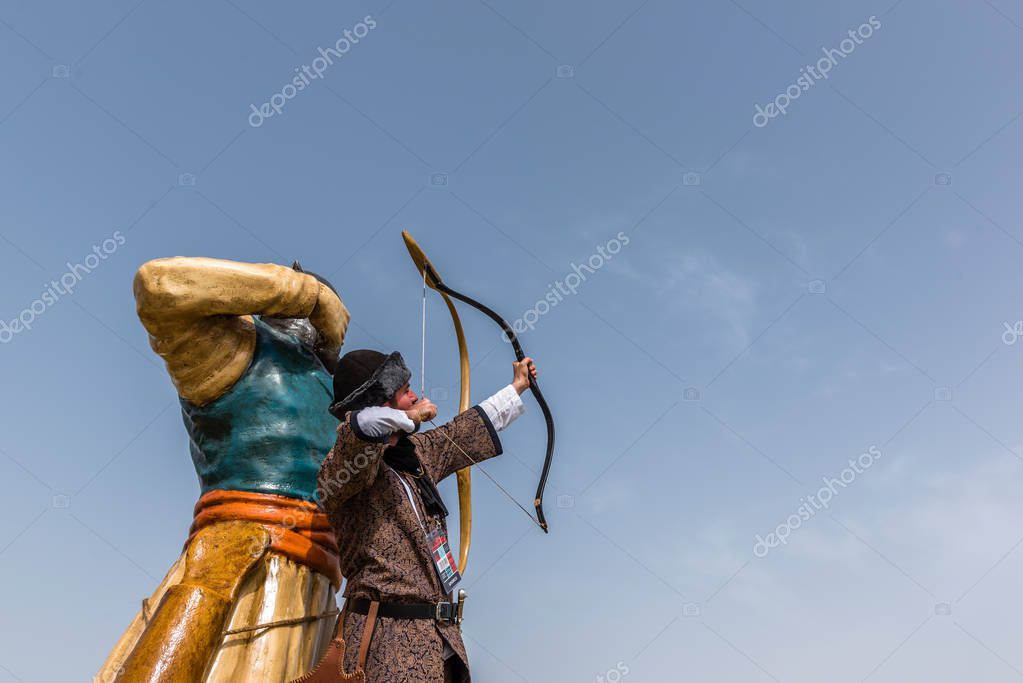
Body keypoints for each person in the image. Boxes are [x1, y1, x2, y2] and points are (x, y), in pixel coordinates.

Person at [98, 256, 351, 683]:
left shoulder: (338, 396)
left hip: (320, 593)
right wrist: (310, 295)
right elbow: (158, 284)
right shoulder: (238, 346)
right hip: (237, 566)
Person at [316, 349, 538, 682]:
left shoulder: (415, 453)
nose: (415, 396)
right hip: (385, 644)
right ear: (381, 401)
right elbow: (362, 426)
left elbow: (466, 430)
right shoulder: (345, 467)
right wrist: (412, 416)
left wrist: (517, 386)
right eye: (405, 391)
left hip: (439, 642)